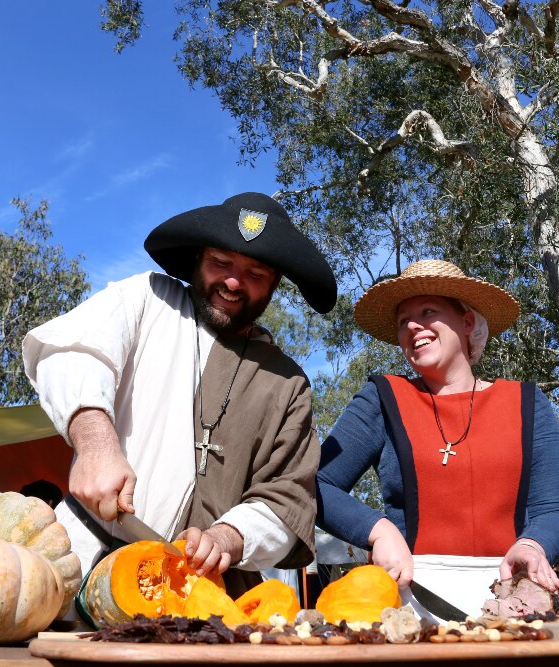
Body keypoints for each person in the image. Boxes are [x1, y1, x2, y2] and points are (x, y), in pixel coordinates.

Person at [23, 192, 337, 599]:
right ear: (197, 259)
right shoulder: (145, 299)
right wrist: (95, 443)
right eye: (221, 262)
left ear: (275, 285)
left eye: (255, 273)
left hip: (211, 595)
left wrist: (228, 537)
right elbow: (69, 351)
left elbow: (287, 499)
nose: (232, 281)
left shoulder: (287, 384)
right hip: (84, 562)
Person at [316, 259, 559, 619]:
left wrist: (534, 545)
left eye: (427, 311)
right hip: (412, 605)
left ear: (467, 322)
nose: (411, 326)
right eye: (402, 320)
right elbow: (315, 483)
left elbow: (556, 511)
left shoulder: (527, 403)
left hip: (514, 602)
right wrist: (378, 531)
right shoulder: (381, 398)